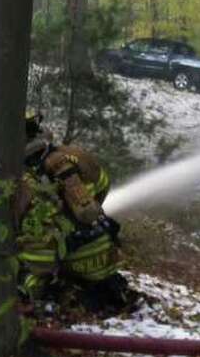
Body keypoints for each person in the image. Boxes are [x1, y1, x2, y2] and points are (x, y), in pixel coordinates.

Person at [18, 111, 130, 310]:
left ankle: (42, 292)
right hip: (107, 255)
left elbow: (16, 227)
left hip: (62, 265)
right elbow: (103, 187)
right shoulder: (76, 156)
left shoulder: (19, 179)